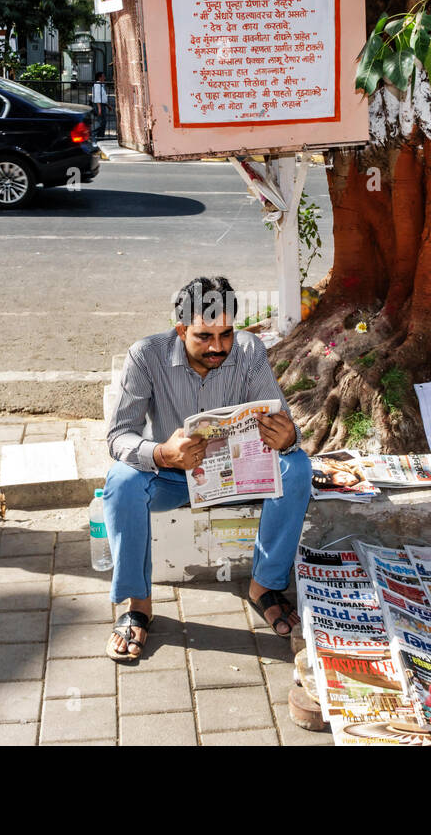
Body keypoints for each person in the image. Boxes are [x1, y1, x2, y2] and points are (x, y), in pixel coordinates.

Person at [103, 275, 313, 661]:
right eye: (204, 336)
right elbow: (118, 436)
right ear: (181, 330)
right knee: (121, 481)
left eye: (226, 334)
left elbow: (283, 423)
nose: (218, 347)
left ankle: (265, 586)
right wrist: (163, 453)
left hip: (237, 475)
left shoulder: (249, 351)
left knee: (296, 467)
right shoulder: (145, 356)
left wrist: (287, 437)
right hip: (171, 477)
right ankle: (138, 604)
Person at [91, 71, 109, 137]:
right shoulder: (97, 85)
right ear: (99, 78)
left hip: (102, 104)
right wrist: (99, 108)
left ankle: (100, 135)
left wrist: (108, 105)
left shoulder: (101, 85)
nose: (104, 78)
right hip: (99, 105)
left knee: (102, 121)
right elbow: (97, 97)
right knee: (101, 121)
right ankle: (97, 135)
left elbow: (102, 97)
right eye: (103, 76)